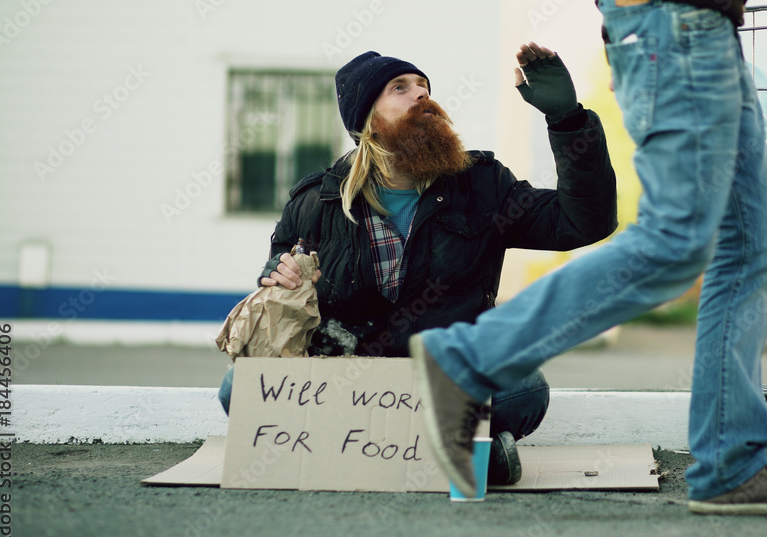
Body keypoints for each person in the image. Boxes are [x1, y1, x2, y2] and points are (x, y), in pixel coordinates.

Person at [410, 0, 767, 514]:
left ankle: (732, 464)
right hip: (674, 30)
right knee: (675, 242)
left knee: (758, 246)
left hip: (703, 35)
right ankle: (469, 358)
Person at [218, 45, 618, 485]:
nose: (421, 95)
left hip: (445, 373)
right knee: (236, 389)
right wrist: (280, 271)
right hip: (347, 376)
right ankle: (469, 453)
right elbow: (278, 263)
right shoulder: (317, 201)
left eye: (424, 87)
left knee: (523, 389)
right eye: (400, 88)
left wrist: (567, 121)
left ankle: (358, 450)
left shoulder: (482, 185)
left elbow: (583, 222)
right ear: (365, 119)